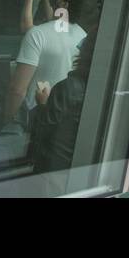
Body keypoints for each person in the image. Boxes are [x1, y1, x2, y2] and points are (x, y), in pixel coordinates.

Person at [3, 0, 91, 126]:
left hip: (34, 116)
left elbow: (17, 90)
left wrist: (8, 120)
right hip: (64, 116)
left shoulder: (37, 35)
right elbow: (56, 28)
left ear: (63, 4)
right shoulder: (83, 35)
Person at [28, 26, 98, 178]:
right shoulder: (105, 88)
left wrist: (42, 104)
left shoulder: (68, 88)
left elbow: (44, 131)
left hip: (56, 168)